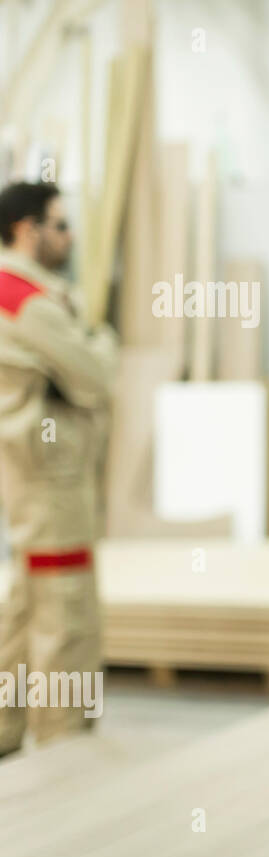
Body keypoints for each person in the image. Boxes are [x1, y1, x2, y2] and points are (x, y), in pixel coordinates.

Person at [0, 182, 117, 757]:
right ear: (27, 230)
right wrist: (103, 338)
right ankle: (65, 747)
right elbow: (96, 377)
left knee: (28, 603)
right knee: (65, 608)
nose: (69, 237)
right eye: (60, 225)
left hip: (26, 470)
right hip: (54, 474)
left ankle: (4, 729)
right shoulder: (29, 300)